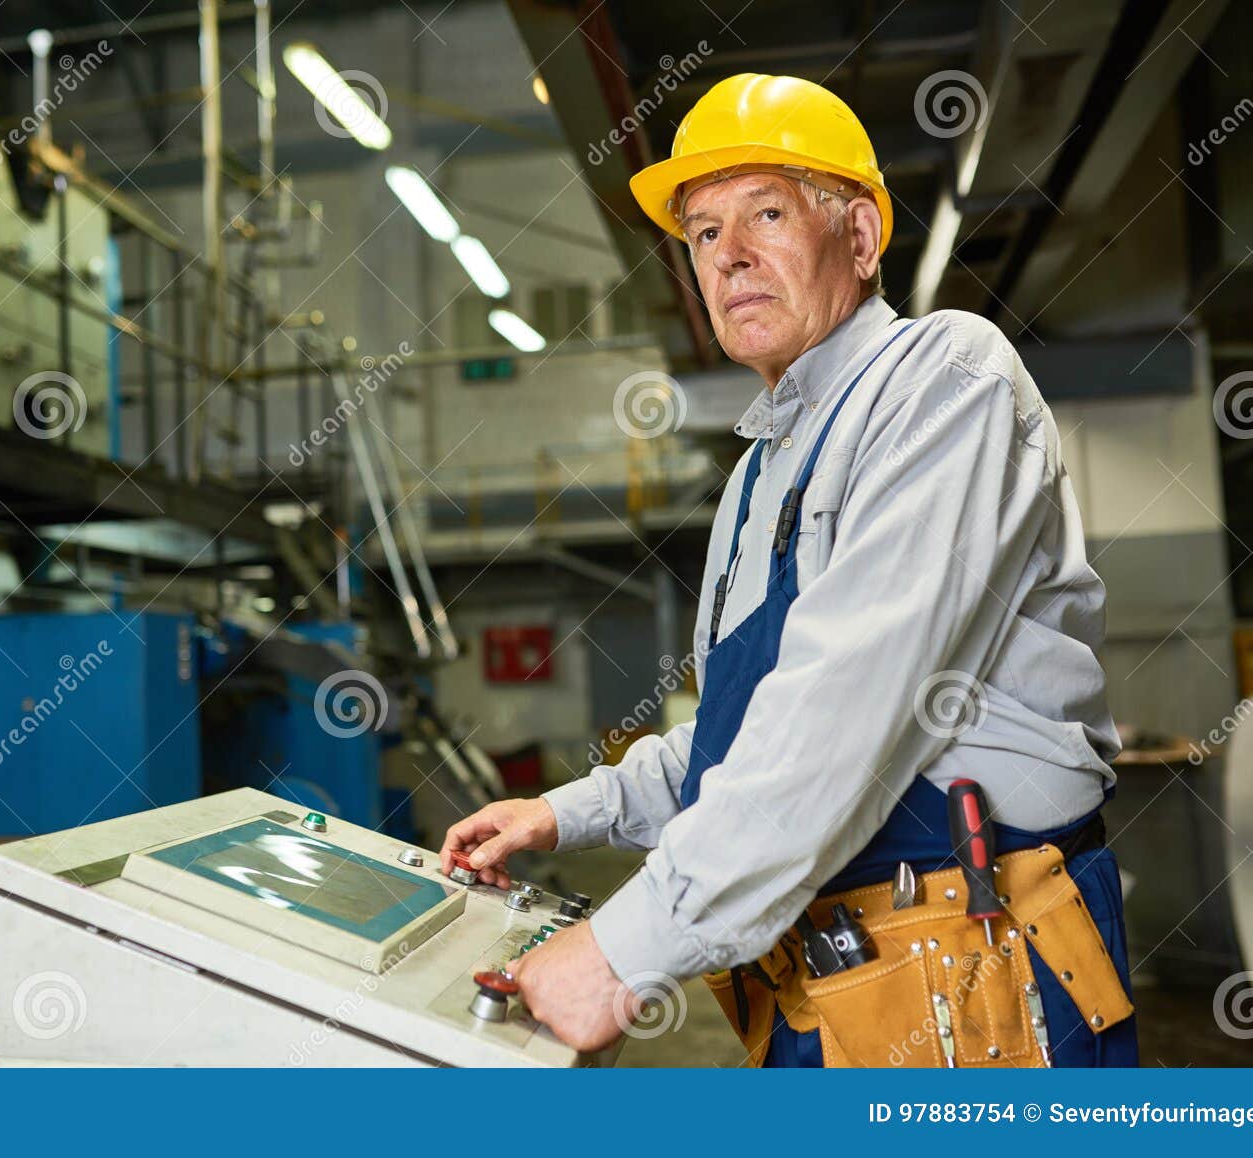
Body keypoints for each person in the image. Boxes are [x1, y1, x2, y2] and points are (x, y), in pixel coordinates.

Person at [440, 74, 1137, 1068]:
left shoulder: (946, 377)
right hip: (825, 987)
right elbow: (745, 733)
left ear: (859, 237)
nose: (729, 255)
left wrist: (622, 950)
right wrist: (566, 811)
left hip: (980, 973)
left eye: (765, 213)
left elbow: (846, 701)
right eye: (703, 232)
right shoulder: (759, 476)